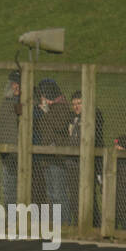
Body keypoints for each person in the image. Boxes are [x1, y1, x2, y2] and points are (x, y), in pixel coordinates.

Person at [66, 89, 105, 227]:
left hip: (87, 163)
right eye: (74, 104)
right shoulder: (73, 118)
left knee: (88, 197)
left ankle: (94, 225)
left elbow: (97, 138)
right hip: (73, 164)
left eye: (79, 103)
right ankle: (78, 224)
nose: (76, 107)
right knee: (74, 198)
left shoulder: (92, 116)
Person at [31, 78, 70, 210]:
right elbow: (41, 127)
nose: (41, 98)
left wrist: (47, 111)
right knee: (51, 194)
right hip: (47, 156)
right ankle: (54, 220)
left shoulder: (62, 107)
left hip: (58, 157)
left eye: (43, 95)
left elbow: (59, 125)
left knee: (58, 194)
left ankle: (63, 220)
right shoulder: (48, 108)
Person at [0, 70, 22, 206]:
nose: (14, 86)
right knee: (8, 190)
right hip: (7, 153)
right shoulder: (6, 101)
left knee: (22, 189)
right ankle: (11, 216)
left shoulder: (27, 101)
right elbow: (2, 127)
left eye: (18, 83)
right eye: (13, 83)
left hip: (20, 153)